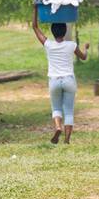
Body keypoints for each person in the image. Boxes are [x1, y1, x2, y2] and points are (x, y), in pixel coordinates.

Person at [31, 10, 89, 144]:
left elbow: (35, 26)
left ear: (52, 32)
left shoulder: (48, 44)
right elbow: (84, 57)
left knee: (56, 108)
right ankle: (67, 140)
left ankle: (58, 127)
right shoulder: (71, 45)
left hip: (54, 81)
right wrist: (86, 48)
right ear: (64, 32)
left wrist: (35, 8)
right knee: (69, 111)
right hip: (69, 80)